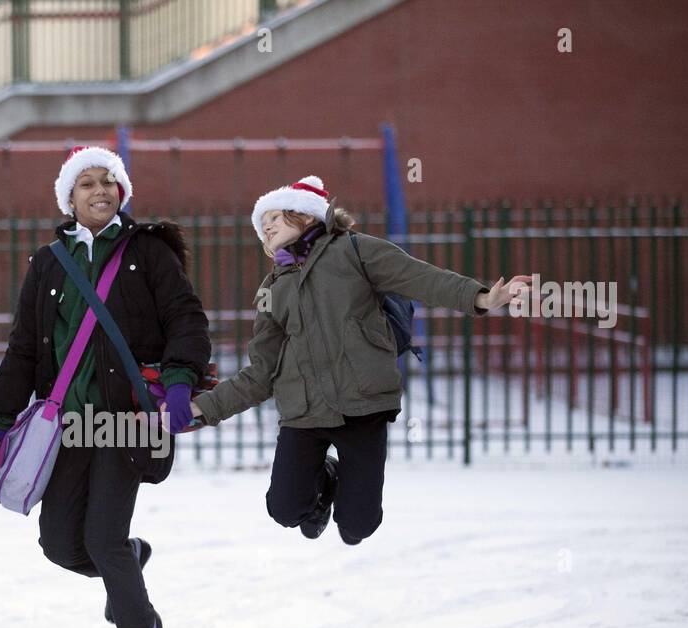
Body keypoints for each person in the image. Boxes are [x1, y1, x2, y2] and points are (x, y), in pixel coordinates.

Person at [191, 175, 530, 544]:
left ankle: (342, 487)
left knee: (358, 526)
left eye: (275, 216)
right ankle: (327, 477)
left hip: (363, 406)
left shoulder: (354, 251)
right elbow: (259, 372)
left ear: (305, 215)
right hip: (304, 413)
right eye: (262, 224)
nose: (266, 226)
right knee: (285, 509)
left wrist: (481, 298)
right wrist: (203, 408)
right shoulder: (272, 290)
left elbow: (422, 278)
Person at [0, 145, 212, 628]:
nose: (100, 191)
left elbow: (186, 318)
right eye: (87, 183)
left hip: (125, 418)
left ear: (123, 192)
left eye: (109, 181)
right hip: (65, 427)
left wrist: (180, 379)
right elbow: (23, 349)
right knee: (61, 545)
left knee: (103, 538)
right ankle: (129, 563)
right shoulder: (48, 263)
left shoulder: (147, 251)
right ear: (68, 198)